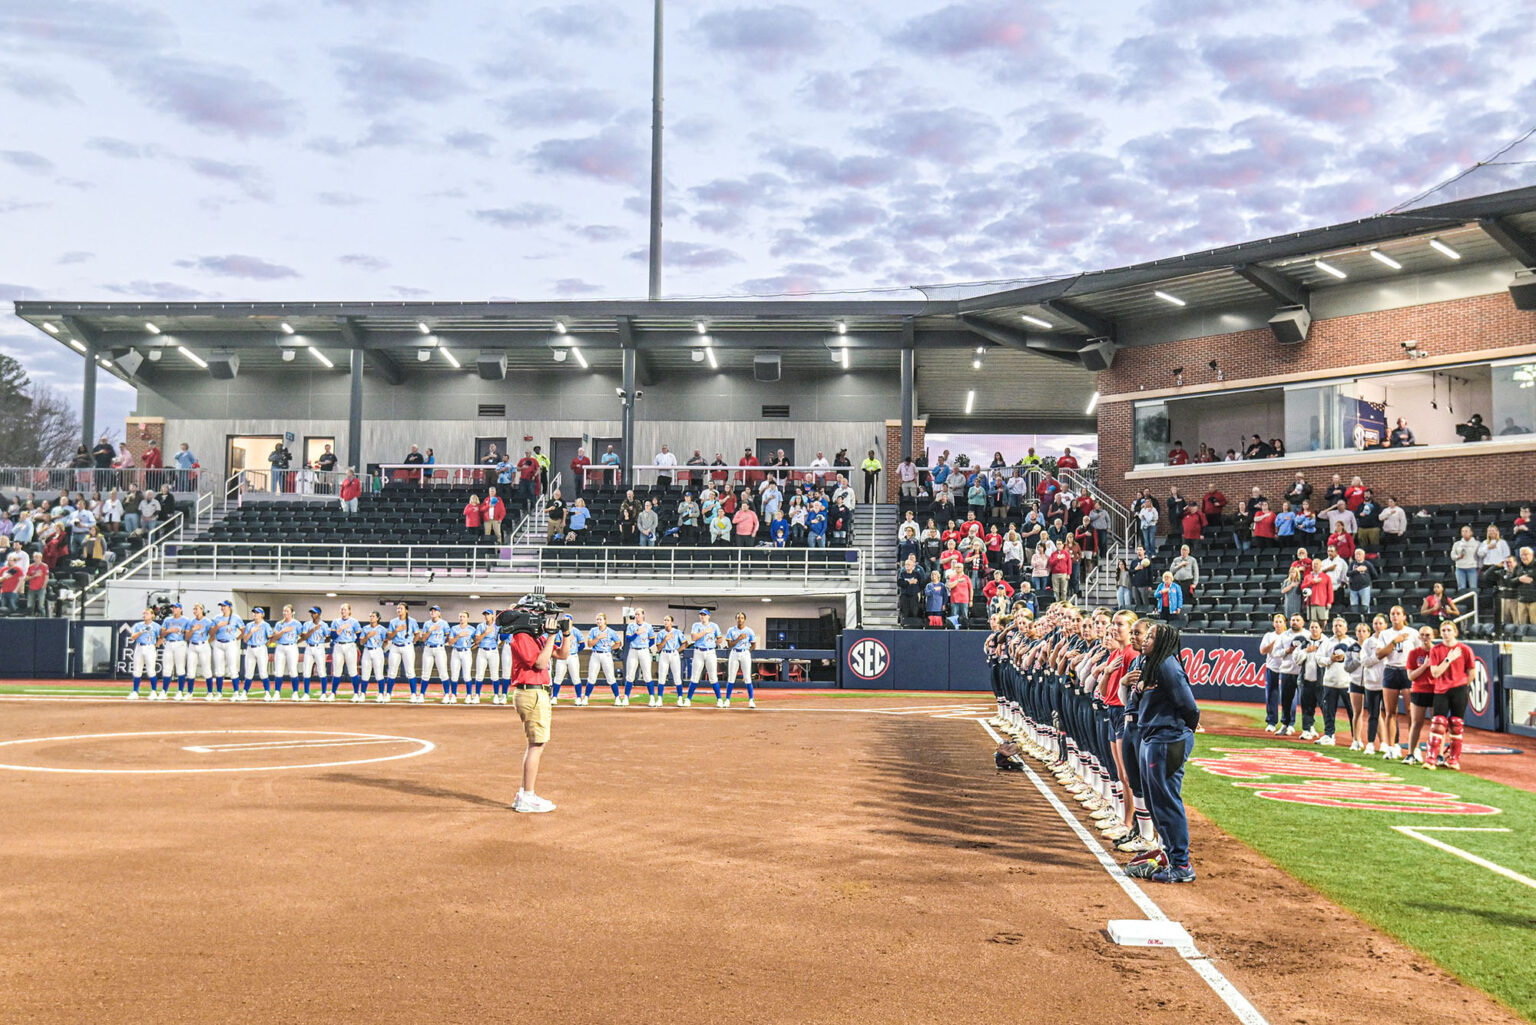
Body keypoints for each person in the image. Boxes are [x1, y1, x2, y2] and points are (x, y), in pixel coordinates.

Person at [1124, 621, 1200, 883]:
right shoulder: (1149, 664)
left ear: (1164, 642)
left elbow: (1190, 708)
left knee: (1167, 801)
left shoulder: (1168, 666)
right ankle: (1169, 852)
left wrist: (1181, 732)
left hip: (1167, 740)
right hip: (1151, 738)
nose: (1145, 640)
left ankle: (1182, 864)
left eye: (1151, 637)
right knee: (1156, 802)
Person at [502, 602, 559, 813]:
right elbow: (540, 663)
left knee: (536, 744)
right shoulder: (522, 637)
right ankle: (528, 795)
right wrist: (551, 636)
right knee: (536, 744)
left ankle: (525, 794)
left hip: (537, 691)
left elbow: (560, 655)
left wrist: (566, 635)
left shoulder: (534, 637)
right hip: (531, 692)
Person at [1424, 620, 1474, 771]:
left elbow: (1472, 673)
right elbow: (1435, 673)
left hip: (1459, 690)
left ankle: (1453, 759)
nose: (1446, 633)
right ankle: (1431, 758)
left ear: (1455, 632)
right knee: (1438, 724)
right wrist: (1448, 659)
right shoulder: (1436, 650)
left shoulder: (1465, 649)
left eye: (1449, 630)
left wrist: (1461, 685)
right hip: (1441, 690)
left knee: (1457, 725)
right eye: (1443, 630)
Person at [1376, 606, 1418, 761]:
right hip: (1391, 670)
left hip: (1407, 670)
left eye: (1398, 613)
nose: (1395, 616)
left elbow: (1420, 652)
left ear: (1404, 616)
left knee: (1410, 710)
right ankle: (1391, 746)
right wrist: (1394, 642)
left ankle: (1414, 748)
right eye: (1392, 613)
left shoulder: (1413, 633)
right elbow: (1379, 654)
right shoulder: (1385, 634)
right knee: (1390, 711)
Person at [1314, 617, 1359, 746]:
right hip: (1330, 682)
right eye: (1335, 625)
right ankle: (1329, 735)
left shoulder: (1352, 643)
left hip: (1348, 683)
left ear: (1346, 628)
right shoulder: (1327, 643)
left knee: (1353, 712)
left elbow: (1358, 661)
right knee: (1329, 711)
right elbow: (1318, 659)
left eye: (1340, 625)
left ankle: (1356, 738)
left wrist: (1346, 658)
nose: (1337, 628)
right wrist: (1331, 659)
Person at [1402, 623, 1437, 766]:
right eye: (1422, 635)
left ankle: (1437, 755)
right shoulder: (1414, 653)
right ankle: (1411, 754)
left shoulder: (1439, 652)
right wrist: (1424, 666)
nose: (1425, 638)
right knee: (1416, 723)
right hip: (1419, 690)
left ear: (1433, 636)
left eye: (1427, 635)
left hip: (1436, 691)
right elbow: (1411, 676)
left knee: (1437, 725)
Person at [383, 602, 420, 704]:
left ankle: (413, 694)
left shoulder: (412, 621)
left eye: (401, 608)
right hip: (395, 646)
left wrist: (413, 642)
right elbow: (389, 637)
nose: (399, 610)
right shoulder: (393, 622)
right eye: (398, 608)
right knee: (392, 671)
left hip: (407, 646)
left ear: (406, 610)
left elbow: (417, 634)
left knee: (410, 671)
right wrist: (396, 630)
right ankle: (388, 694)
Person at [685, 609, 723, 706]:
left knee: (713, 677)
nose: (702, 616)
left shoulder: (714, 626)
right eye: (701, 614)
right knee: (695, 677)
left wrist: (714, 643)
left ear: (708, 616)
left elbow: (720, 638)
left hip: (710, 651)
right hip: (698, 651)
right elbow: (694, 638)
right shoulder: (696, 625)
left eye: (705, 615)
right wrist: (705, 632)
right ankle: (688, 699)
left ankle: (719, 699)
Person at [583, 613, 622, 704]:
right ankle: (586, 698)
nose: (598, 621)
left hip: (606, 654)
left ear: (605, 620)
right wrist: (598, 638)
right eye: (597, 619)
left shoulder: (611, 631)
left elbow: (619, 643)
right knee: (592, 677)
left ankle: (617, 698)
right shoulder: (593, 630)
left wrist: (610, 648)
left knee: (610, 677)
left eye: (600, 619)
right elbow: (589, 644)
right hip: (595, 654)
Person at [124, 608, 161, 700]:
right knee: (137, 670)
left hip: (150, 647)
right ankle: (135, 691)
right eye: (144, 613)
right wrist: (141, 631)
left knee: (151, 670)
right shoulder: (138, 625)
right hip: (139, 647)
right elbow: (132, 637)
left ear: (152, 615)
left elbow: (161, 637)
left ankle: (154, 691)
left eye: (147, 613)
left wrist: (156, 645)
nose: (145, 615)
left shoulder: (156, 626)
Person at [240, 606, 274, 702]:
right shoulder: (250, 625)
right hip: (251, 648)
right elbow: (245, 639)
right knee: (249, 672)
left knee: (263, 672)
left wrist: (266, 644)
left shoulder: (265, 625)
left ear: (262, 615)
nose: (255, 614)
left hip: (261, 648)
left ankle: (267, 692)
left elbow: (270, 637)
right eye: (254, 613)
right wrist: (251, 631)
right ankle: (245, 692)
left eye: (257, 613)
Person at [622, 609, 655, 706]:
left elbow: (652, 640)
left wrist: (645, 645)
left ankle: (652, 698)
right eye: (635, 614)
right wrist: (637, 633)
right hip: (633, 650)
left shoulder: (648, 626)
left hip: (644, 650)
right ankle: (626, 697)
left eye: (638, 614)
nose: (637, 616)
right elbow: (628, 639)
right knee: (630, 675)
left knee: (647, 675)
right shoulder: (631, 626)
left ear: (643, 615)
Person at [723, 612, 757, 707]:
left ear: (744, 619)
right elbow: (729, 645)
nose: (740, 620)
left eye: (742, 618)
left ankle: (751, 700)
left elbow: (754, 645)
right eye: (738, 618)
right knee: (731, 677)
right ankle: (727, 699)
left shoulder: (749, 631)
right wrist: (739, 638)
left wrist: (747, 651)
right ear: (736, 619)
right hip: (734, 652)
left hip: (745, 652)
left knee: (747, 677)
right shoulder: (731, 630)